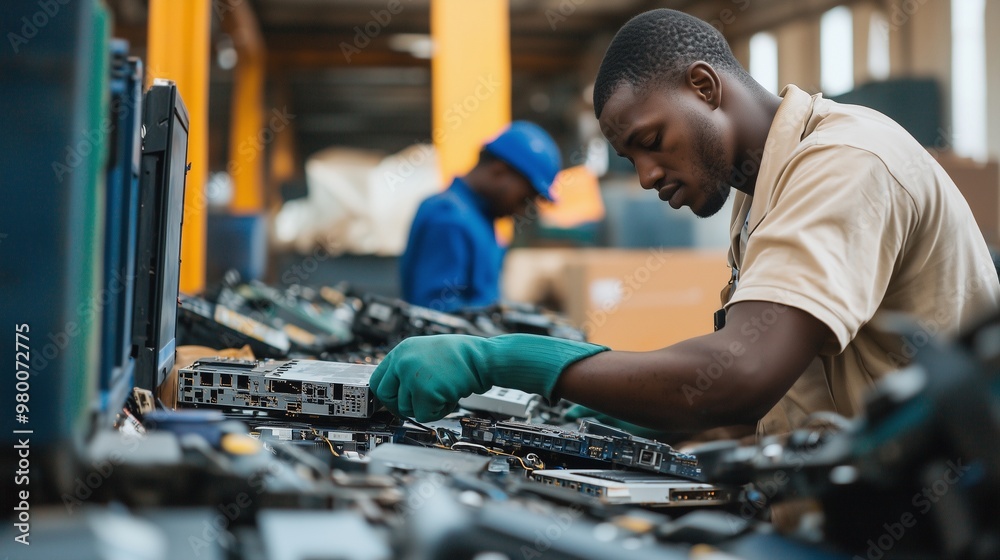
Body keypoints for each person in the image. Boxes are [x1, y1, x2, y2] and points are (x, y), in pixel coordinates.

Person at [373, 9, 1000, 438]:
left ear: (704, 87)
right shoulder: (756, 199)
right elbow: (759, 399)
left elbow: (741, 374)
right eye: (630, 158)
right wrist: (612, 420)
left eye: (652, 140)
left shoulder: (845, 161)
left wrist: (504, 358)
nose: (646, 176)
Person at [400, 121, 561, 312]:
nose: (523, 211)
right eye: (524, 199)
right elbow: (435, 313)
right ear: (498, 171)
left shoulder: (479, 220)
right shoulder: (449, 218)